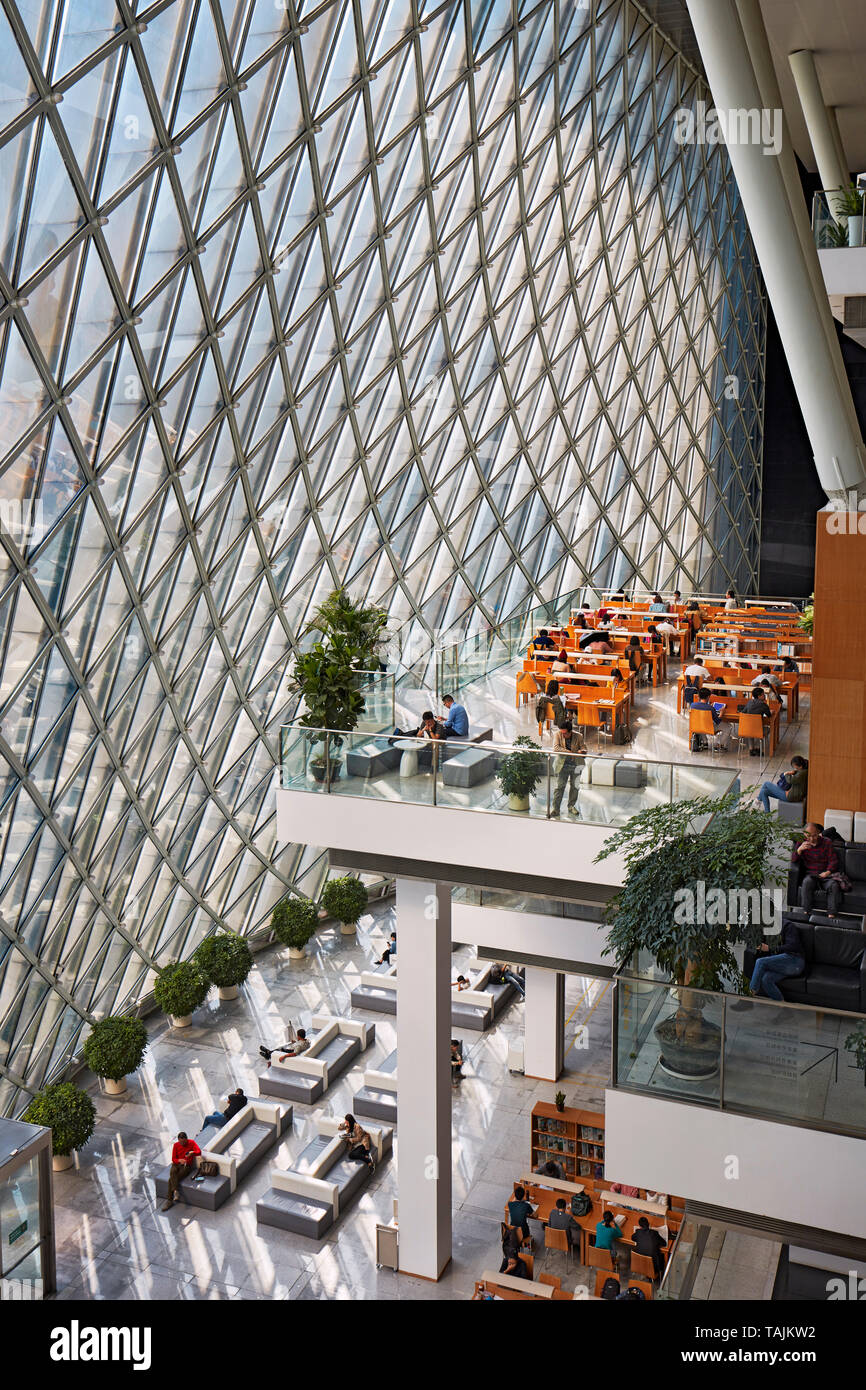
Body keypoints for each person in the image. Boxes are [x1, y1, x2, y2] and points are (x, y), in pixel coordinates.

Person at [745, 917, 805, 1002]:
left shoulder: (788, 926)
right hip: (784, 964)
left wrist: (770, 948)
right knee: (766, 979)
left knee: (761, 962)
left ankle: (749, 997)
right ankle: (782, 1004)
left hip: (795, 961)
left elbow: (793, 946)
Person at [792, 823, 843, 915]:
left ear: (819, 833)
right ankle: (806, 911)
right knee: (806, 883)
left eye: (814, 835)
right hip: (811, 874)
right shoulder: (801, 842)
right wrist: (799, 850)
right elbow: (794, 860)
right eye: (808, 836)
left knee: (834, 885)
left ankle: (831, 914)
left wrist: (828, 872)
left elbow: (833, 860)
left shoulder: (826, 842)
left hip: (826, 874)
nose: (812, 839)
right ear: (804, 834)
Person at [551, 719, 586, 818]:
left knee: (575, 787)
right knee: (559, 787)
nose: (563, 735)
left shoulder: (578, 736)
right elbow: (556, 748)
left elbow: (584, 748)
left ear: (570, 731)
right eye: (561, 732)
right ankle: (556, 809)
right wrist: (569, 752)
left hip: (577, 765)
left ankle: (571, 806)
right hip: (562, 765)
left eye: (565, 733)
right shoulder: (558, 734)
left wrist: (582, 751)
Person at [162, 1131, 201, 1210]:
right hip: (177, 1164)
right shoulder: (176, 1145)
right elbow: (173, 1159)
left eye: (184, 1142)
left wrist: (192, 1153)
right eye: (180, 1142)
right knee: (172, 1172)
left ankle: (169, 1200)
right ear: (178, 1140)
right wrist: (179, 1160)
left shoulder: (191, 1143)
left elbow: (199, 1152)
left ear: (186, 1139)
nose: (182, 1144)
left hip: (186, 1166)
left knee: (171, 1180)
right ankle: (176, 1191)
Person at [741, 689, 771, 755]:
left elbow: (743, 712)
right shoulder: (763, 705)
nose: (765, 696)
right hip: (758, 730)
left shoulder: (749, 702)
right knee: (767, 729)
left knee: (750, 729)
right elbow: (769, 715)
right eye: (763, 694)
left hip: (747, 730)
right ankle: (758, 748)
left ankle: (751, 749)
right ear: (759, 696)